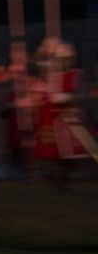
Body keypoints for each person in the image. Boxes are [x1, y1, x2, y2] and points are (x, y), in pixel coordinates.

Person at [31, 37, 87, 191]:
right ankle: (55, 177)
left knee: (69, 152)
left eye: (65, 59)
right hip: (49, 116)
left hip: (67, 116)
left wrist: (68, 96)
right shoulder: (48, 72)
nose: (61, 61)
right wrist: (43, 50)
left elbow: (80, 93)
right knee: (52, 151)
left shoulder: (75, 74)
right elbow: (35, 65)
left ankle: (64, 177)